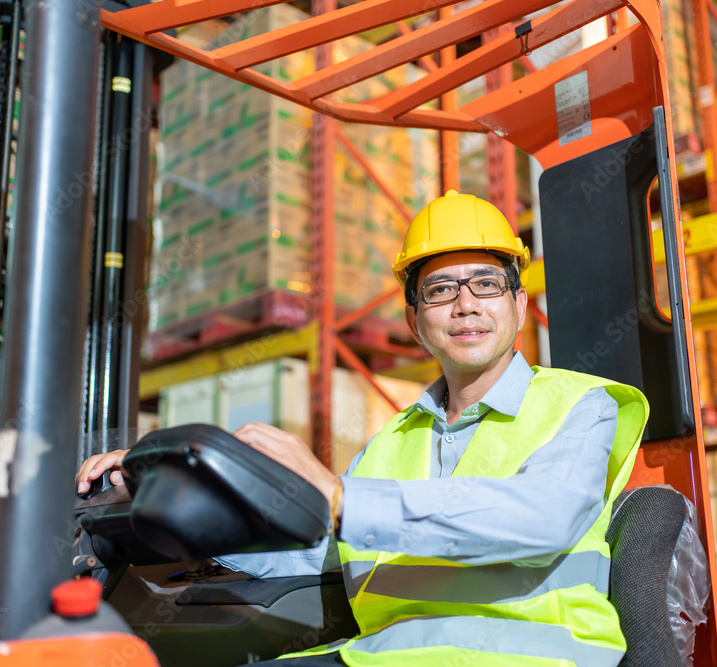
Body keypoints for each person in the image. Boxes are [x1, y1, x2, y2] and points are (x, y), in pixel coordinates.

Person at [77, 190, 649, 666]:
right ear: (414, 321)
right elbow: (315, 553)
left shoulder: (581, 405)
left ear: (520, 306)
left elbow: (544, 515)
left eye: (487, 284)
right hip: (386, 655)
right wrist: (178, 503)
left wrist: (342, 496)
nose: (466, 305)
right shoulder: (393, 441)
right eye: (440, 289)